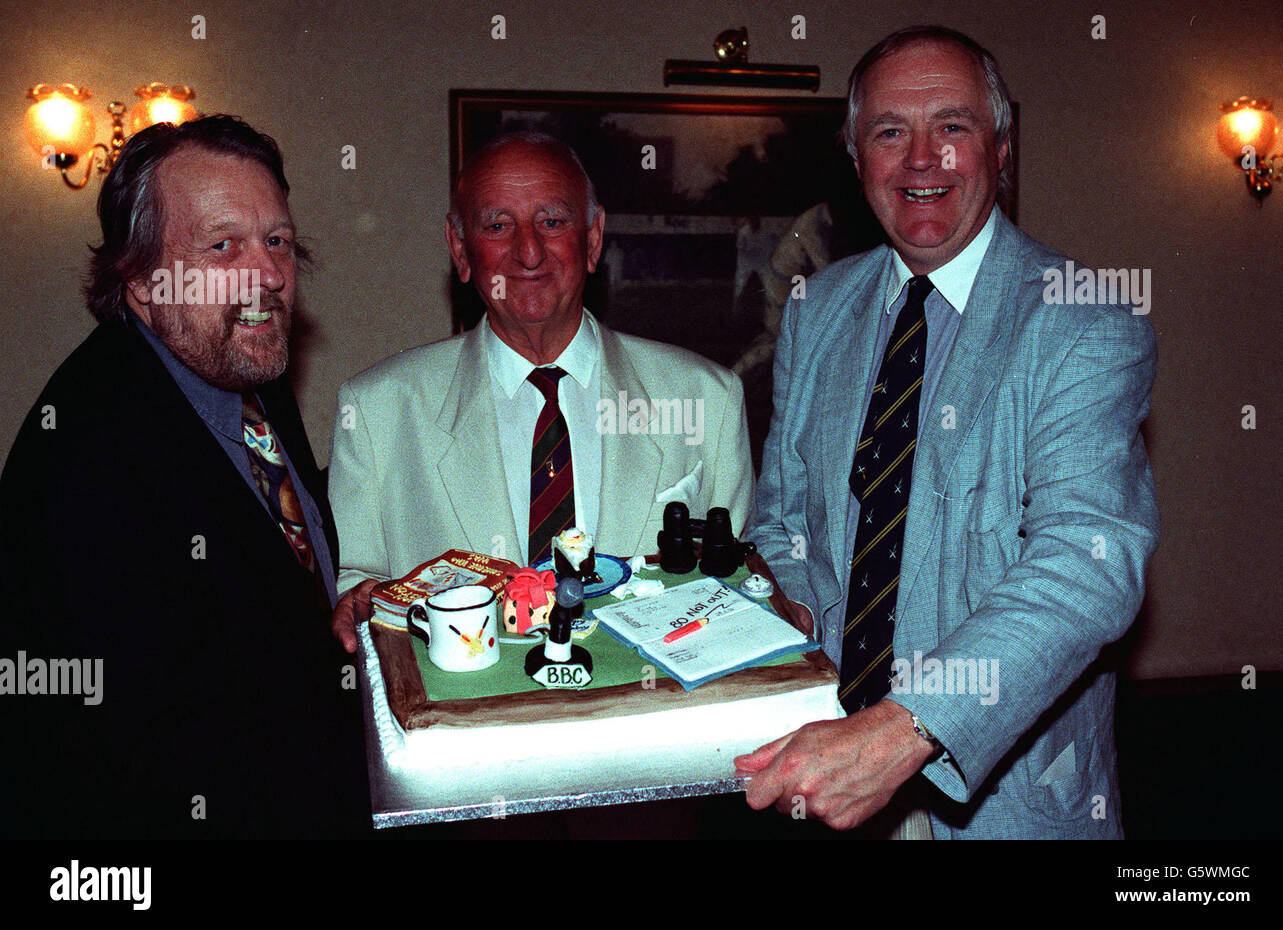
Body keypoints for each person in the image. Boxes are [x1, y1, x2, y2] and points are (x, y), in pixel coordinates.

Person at [736, 26, 1158, 838]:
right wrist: (807, 668)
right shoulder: (815, 312)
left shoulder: (1084, 322)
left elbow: (1087, 565)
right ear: (856, 158)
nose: (922, 160)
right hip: (824, 775)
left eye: (953, 127)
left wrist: (905, 730)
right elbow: (783, 525)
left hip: (1005, 801)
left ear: (1002, 149)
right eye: (891, 131)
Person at [0, 115, 370, 838]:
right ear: (139, 281)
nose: (266, 275)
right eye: (223, 245)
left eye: (277, 242)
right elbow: (154, 765)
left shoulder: (240, 366)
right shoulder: (87, 460)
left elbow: (268, 566)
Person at [329, 133, 754, 646]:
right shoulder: (377, 412)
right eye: (497, 225)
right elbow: (361, 594)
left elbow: (735, 597)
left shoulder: (709, 399)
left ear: (593, 239)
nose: (528, 253)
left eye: (552, 222)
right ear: (460, 250)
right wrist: (360, 603)